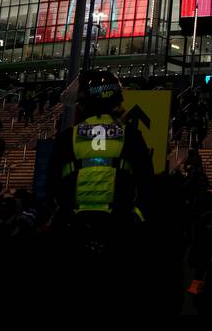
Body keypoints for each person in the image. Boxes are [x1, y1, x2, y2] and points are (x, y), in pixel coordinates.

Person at [46, 70, 154, 296]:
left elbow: (50, 187)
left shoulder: (68, 137)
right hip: (120, 230)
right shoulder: (131, 136)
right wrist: (136, 218)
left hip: (73, 232)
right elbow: (147, 186)